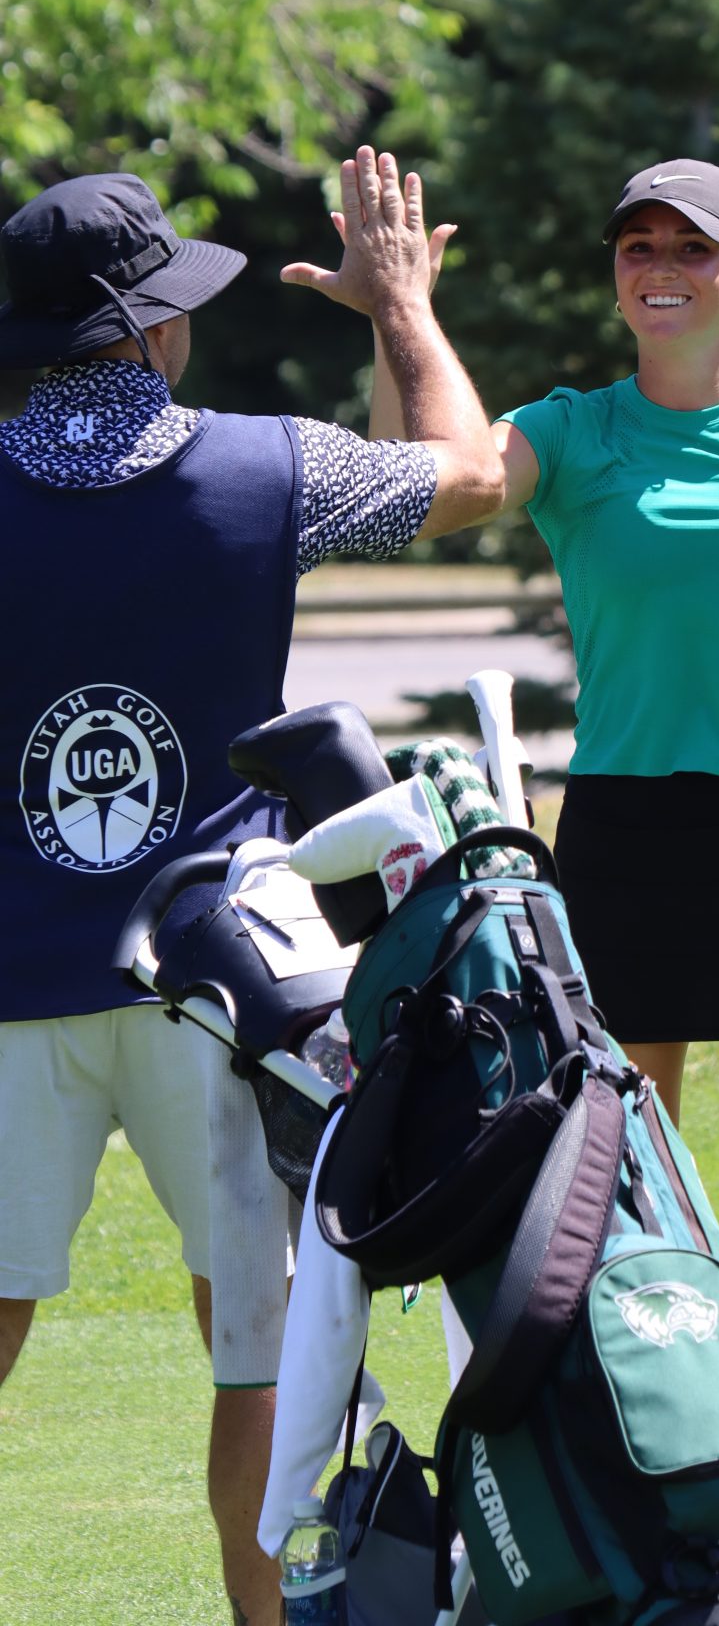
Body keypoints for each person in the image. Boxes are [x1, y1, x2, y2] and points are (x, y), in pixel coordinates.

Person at [351, 155, 719, 1625]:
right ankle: (639, 1480)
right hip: (618, 842)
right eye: (637, 244)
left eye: (694, 246)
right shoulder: (575, 430)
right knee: (610, 1202)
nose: (660, 266)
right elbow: (420, 490)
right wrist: (396, 315)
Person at [0, 147, 503, 1626]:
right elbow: (471, 477)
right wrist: (399, 308)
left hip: (8, 990)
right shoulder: (264, 466)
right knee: (262, 1353)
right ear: (157, 331)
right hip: (218, 985)